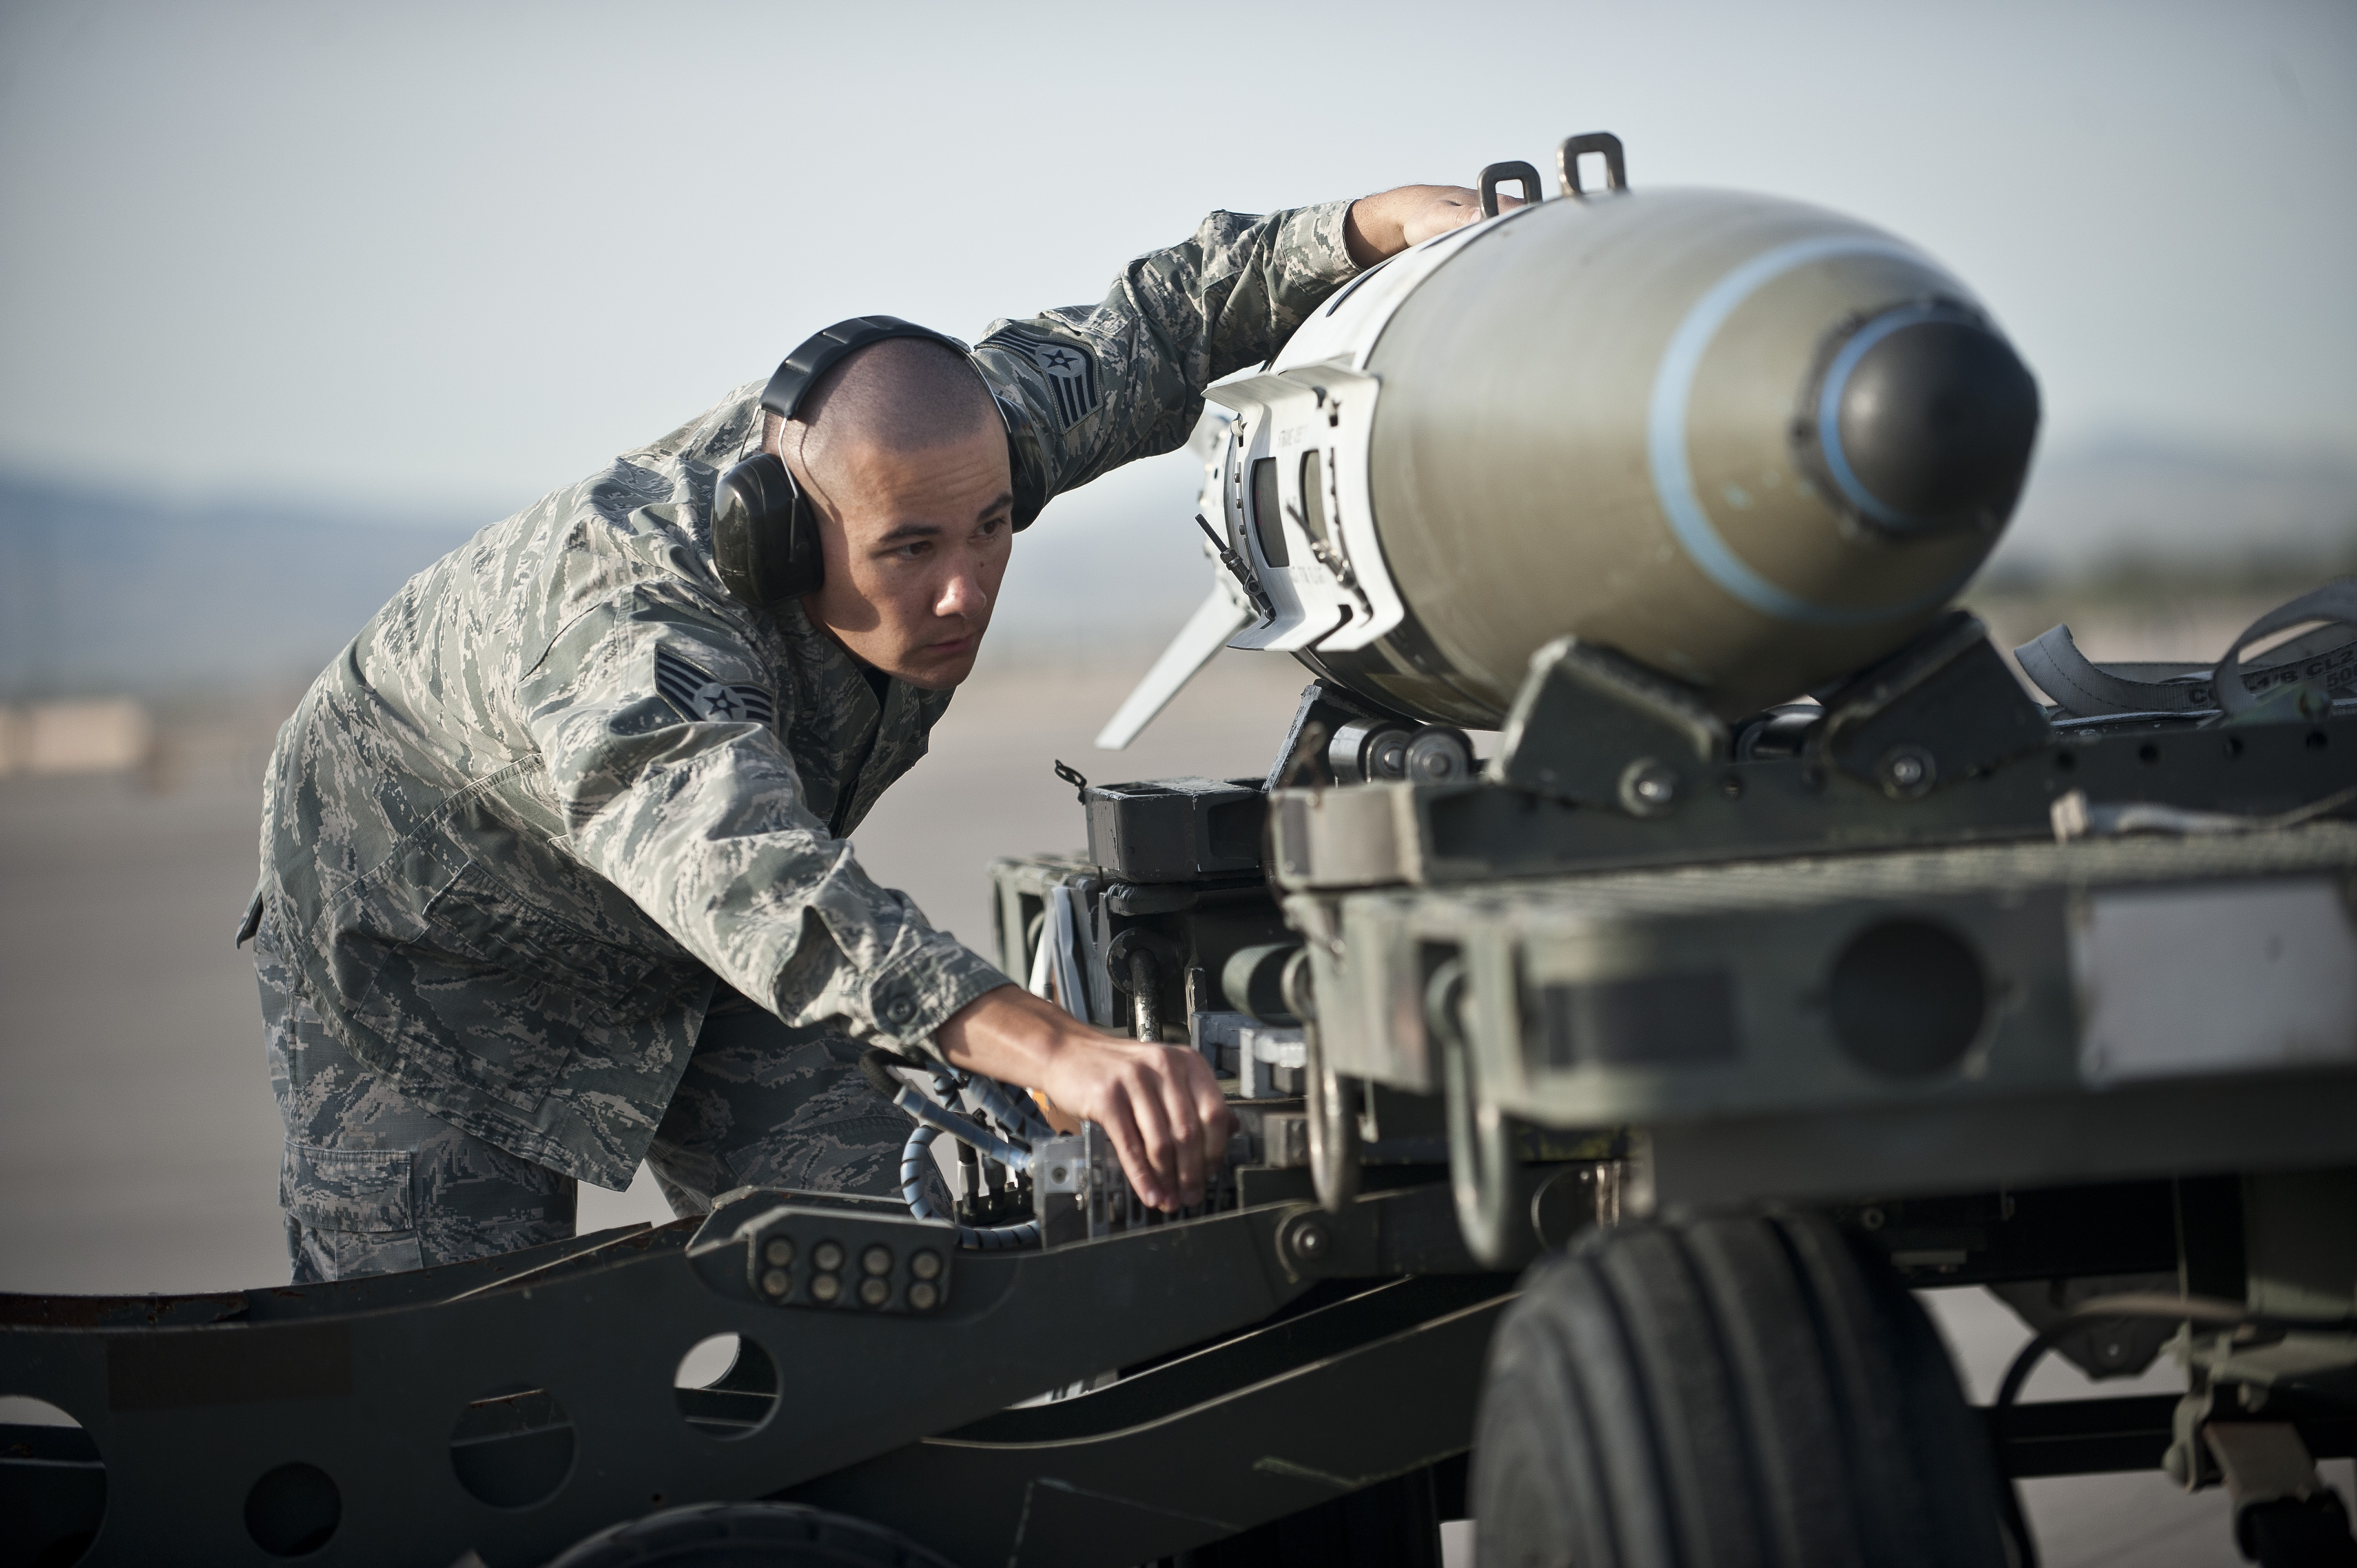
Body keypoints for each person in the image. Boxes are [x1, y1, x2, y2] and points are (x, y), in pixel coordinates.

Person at [243, 183, 1494, 1282]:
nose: (964, 591)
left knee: (881, 1303)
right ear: (789, 538)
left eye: (992, 530)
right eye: (908, 552)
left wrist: (1374, 224)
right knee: (443, 1397)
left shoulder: (949, 453)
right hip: (430, 957)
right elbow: (755, 882)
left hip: (708, 945)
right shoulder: (631, 629)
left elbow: (1167, 322)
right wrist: (1050, 1047)